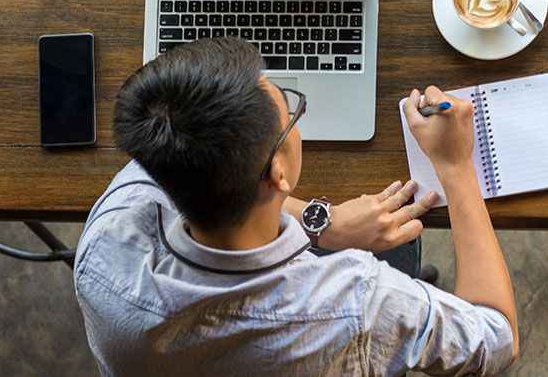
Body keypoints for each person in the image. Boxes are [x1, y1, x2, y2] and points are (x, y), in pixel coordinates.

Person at [74, 37, 519, 376]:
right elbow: (498, 338)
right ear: (277, 175)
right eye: (291, 111)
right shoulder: (355, 301)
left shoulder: (107, 240)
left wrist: (322, 224)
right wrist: (456, 167)